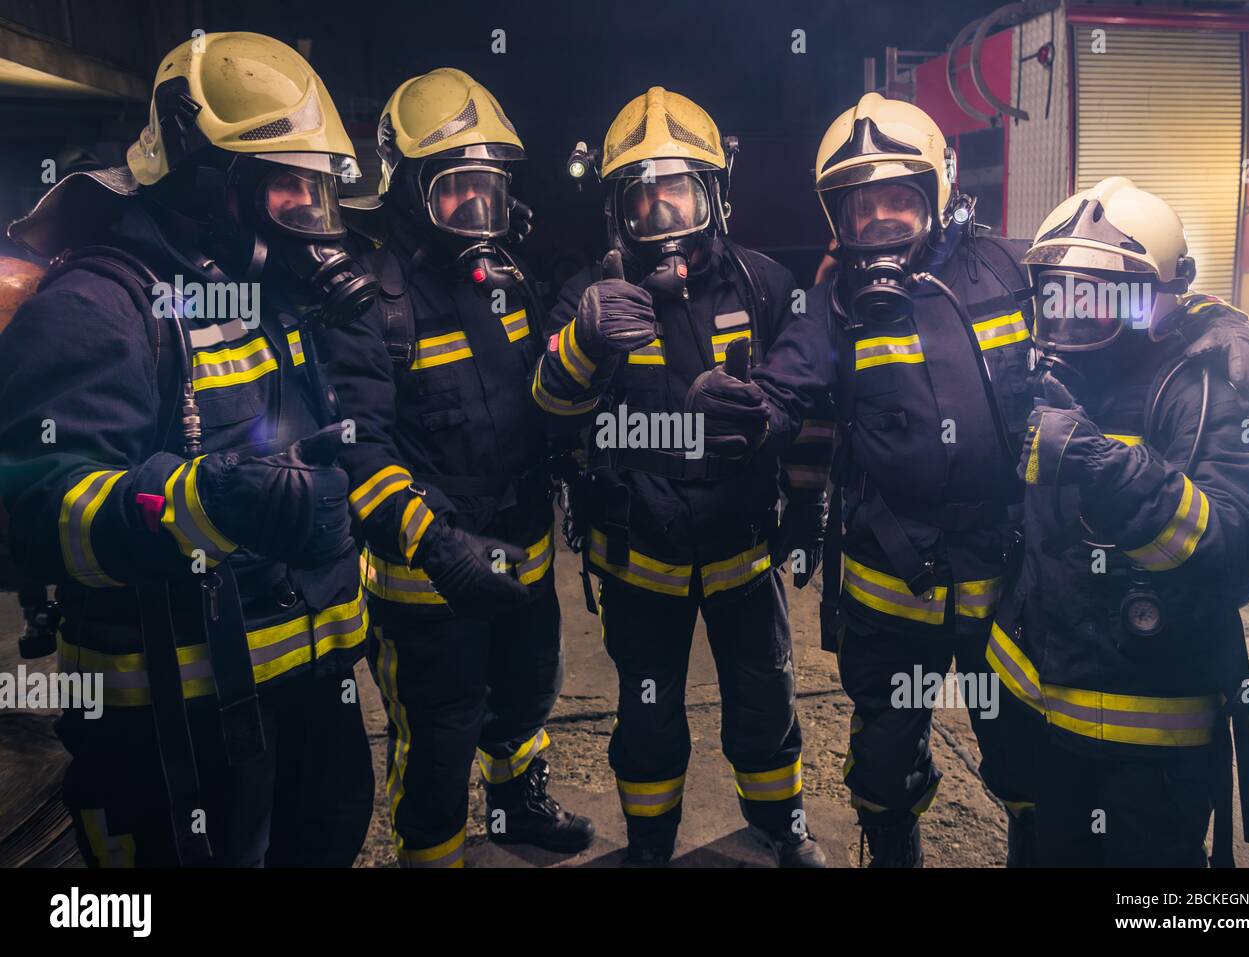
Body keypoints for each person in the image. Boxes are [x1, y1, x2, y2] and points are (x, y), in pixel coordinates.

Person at [687, 92, 1249, 867]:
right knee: (885, 762)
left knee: (1023, 761)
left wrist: (1213, 321)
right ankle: (891, 846)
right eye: (858, 210)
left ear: (939, 191)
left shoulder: (1009, 265)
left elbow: (1117, 291)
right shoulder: (835, 307)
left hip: (1009, 590)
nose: (879, 225)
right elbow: (787, 386)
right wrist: (747, 409)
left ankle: (1036, 846)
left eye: (899, 199)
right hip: (890, 589)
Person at [0, 32, 379, 867]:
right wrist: (199, 505)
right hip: (174, 736)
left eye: (318, 193)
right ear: (210, 186)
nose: (314, 222)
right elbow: (24, 516)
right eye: (289, 188)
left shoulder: (273, 298)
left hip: (313, 699)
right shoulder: (98, 305)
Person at [533, 86, 830, 867]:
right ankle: (651, 843)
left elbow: (805, 389)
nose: (663, 212)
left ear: (714, 195)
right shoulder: (587, 299)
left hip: (741, 548)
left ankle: (781, 824)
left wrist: (785, 457)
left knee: (764, 700)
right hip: (642, 556)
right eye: (643, 196)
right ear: (616, 210)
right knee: (649, 709)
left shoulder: (764, 284)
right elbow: (553, 416)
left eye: (679, 190)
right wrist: (583, 344)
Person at [323, 68, 594, 868]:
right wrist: (437, 547)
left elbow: (541, 399)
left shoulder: (507, 288)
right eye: (455, 192)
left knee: (521, 699)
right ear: (407, 192)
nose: (477, 211)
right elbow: (359, 446)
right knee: (438, 737)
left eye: (489, 191)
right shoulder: (372, 304)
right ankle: (432, 854)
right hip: (428, 584)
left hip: (524, 556)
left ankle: (516, 809)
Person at [989, 177, 1249, 866]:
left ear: (1155, 304)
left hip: (1153, 742)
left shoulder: (1201, 386)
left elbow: (1231, 553)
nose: (1070, 322)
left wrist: (1106, 467)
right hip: (1043, 713)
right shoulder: (1047, 373)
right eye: (1057, 298)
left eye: (1096, 301)